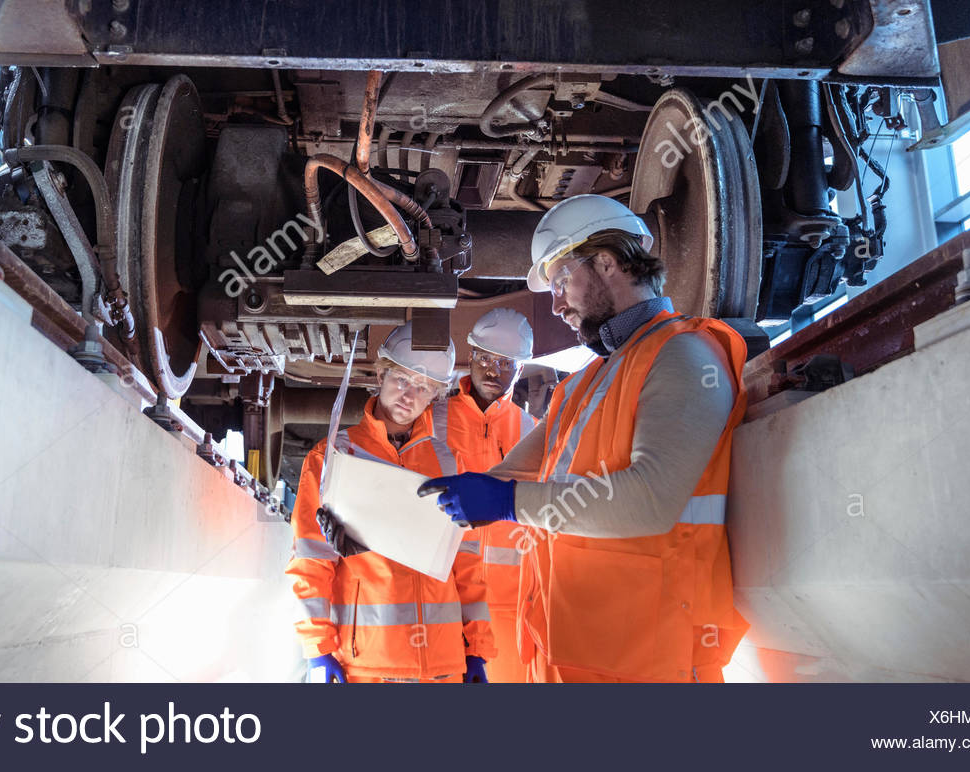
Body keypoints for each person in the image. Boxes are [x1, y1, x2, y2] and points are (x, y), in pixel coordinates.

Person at [419, 194, 750, 683]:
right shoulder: (582, 383)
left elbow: (651, 500)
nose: (555, 304)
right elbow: (496, 482)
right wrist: (376, 528)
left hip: (653, 665)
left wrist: (508, 502)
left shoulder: (684, 355)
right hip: (566, 658)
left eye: (560, 282)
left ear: (607, 263)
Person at [287, 322, 496, 683]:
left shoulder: (451, 463)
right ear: (381, 374)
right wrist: (317, 648)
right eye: (402, 379)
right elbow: (311, 560)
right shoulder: (334, 457)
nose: (409, 396)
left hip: (442, 666)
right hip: (366, 664)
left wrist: (477, 648)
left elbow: (468, 565)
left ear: (435, 395)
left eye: (424, 387)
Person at [444, 308, 538, 682]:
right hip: (442, 597)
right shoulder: (433, 419)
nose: (492, 371)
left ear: (520, 369)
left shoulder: (534, 433)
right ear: (470, 355)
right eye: (484, 358)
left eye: (505, 363)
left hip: (511, 611)